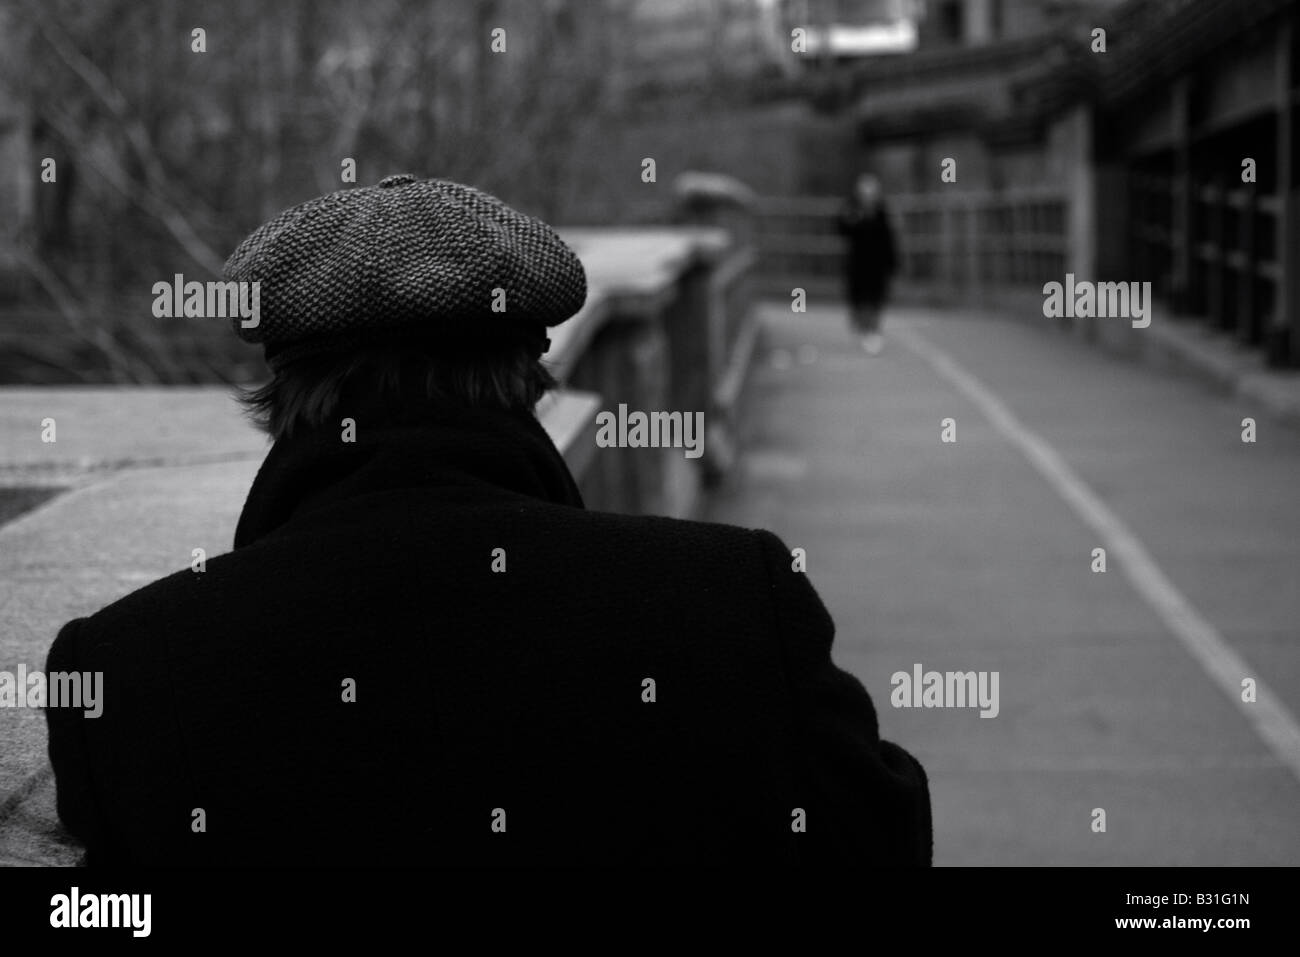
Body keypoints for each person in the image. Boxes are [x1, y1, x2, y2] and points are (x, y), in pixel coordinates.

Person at [45, 174, 931, 866]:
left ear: (281, 398)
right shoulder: (733, 600)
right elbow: (879, 842)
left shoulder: (128, 670)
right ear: (531, 377)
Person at [837, 173, 898, 356]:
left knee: (876, 297)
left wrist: (893, 263)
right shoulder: (851, 210)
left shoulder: (882, 212)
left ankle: (872, 330)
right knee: (858, 297)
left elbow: (890, 239)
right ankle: (863, 327)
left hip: (878, 264)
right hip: (857, 263)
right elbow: (841, 229)